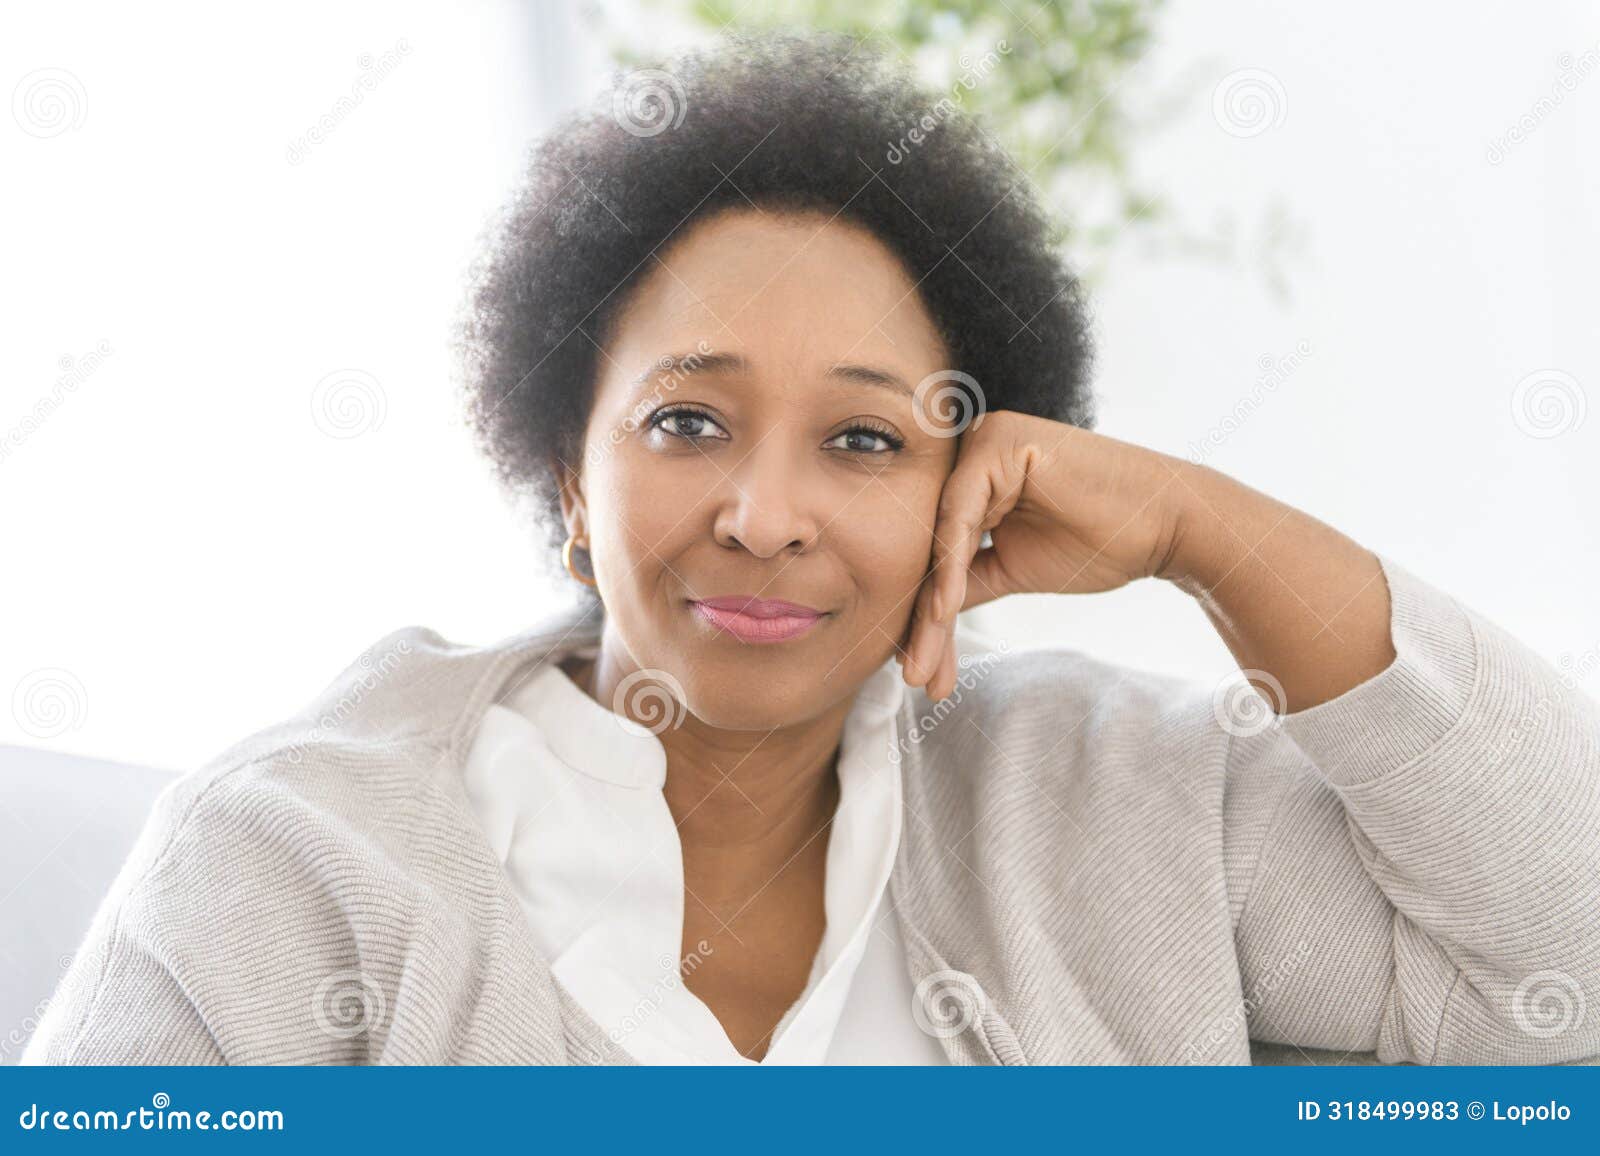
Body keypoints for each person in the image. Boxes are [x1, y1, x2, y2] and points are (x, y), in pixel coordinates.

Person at [25, 32, 1599, 1066]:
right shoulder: (294, 857)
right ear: (565, 475)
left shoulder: (1123, 805)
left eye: (865, 441)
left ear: (967, 488)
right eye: (687, 423)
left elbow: (1565, 978)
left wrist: (1208, 534)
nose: (764, 512)